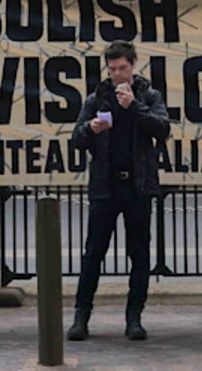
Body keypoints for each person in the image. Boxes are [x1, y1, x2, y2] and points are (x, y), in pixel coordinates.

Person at [67, 41, 170, 341]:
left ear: (134, 65)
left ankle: (134, 317)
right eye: (112, 69)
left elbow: (163, 128)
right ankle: (81, 316)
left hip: (138, 186)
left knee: (138, 254)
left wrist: (133, 106)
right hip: (105, 186)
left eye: (122, 68)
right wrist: (91, 129)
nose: (117, 75)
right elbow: (76, 138)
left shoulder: (149, 95)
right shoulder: (97, 97)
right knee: (93, 254)